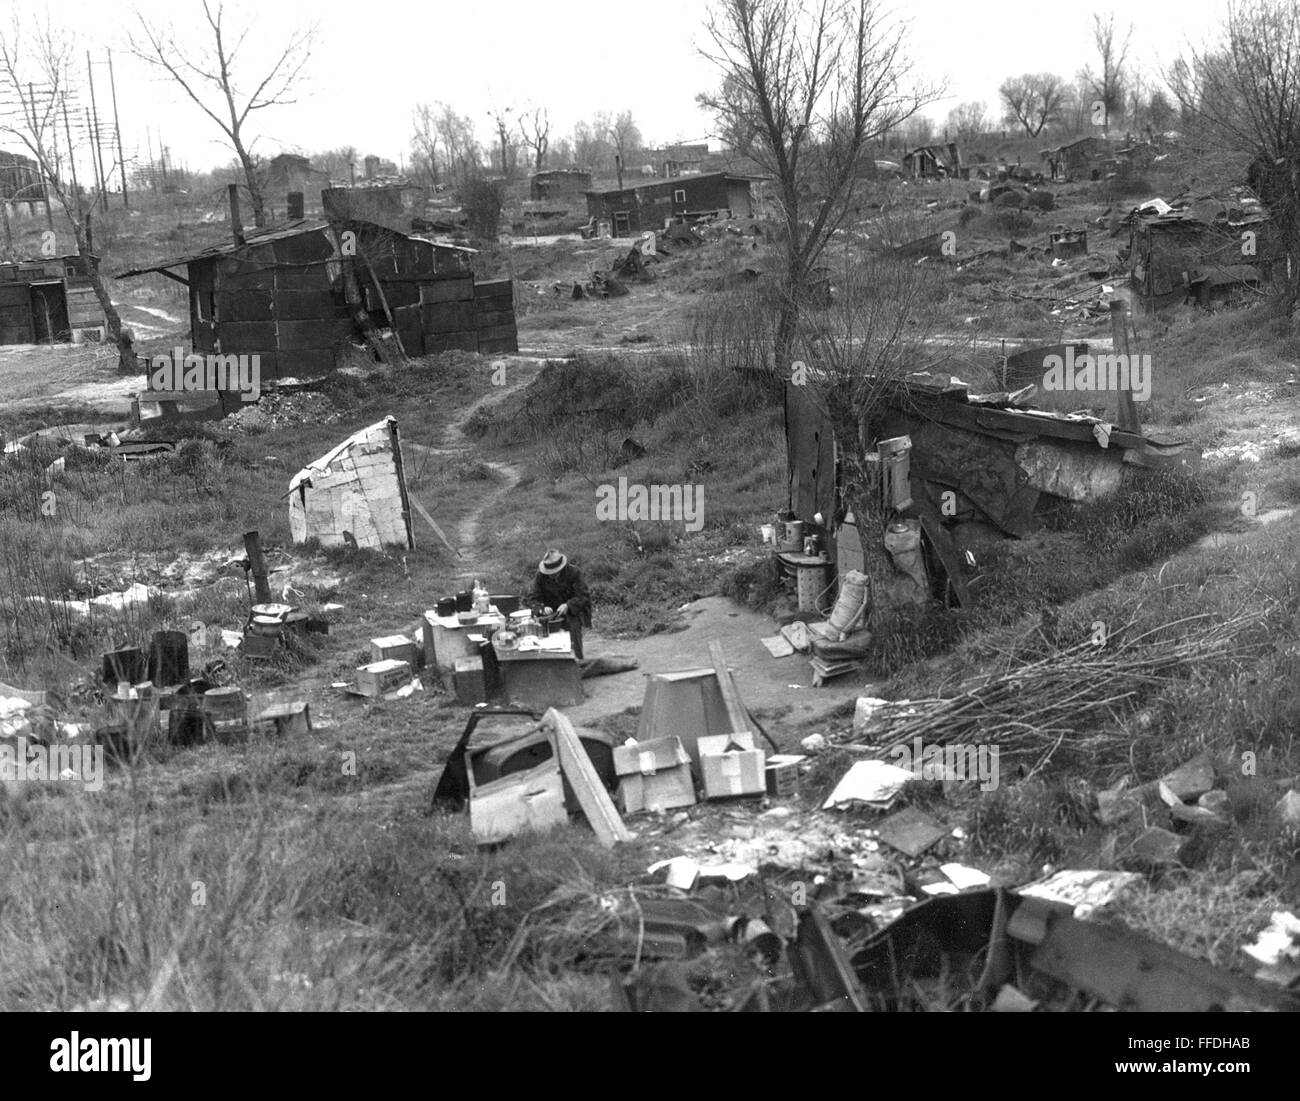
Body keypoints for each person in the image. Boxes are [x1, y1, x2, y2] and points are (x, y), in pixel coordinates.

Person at [531, 549, 592, 659]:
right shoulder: (540, 576)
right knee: (540, 631)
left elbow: (583, 596)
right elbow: (533, 598)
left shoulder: (574, 572)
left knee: (573, 627)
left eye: (554, 573)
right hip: (550, 613)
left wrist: (568, 605)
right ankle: (551, 662)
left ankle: (576, 659)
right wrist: (542, 608)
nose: (552, 575)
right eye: (549, 573)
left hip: (572, 611)